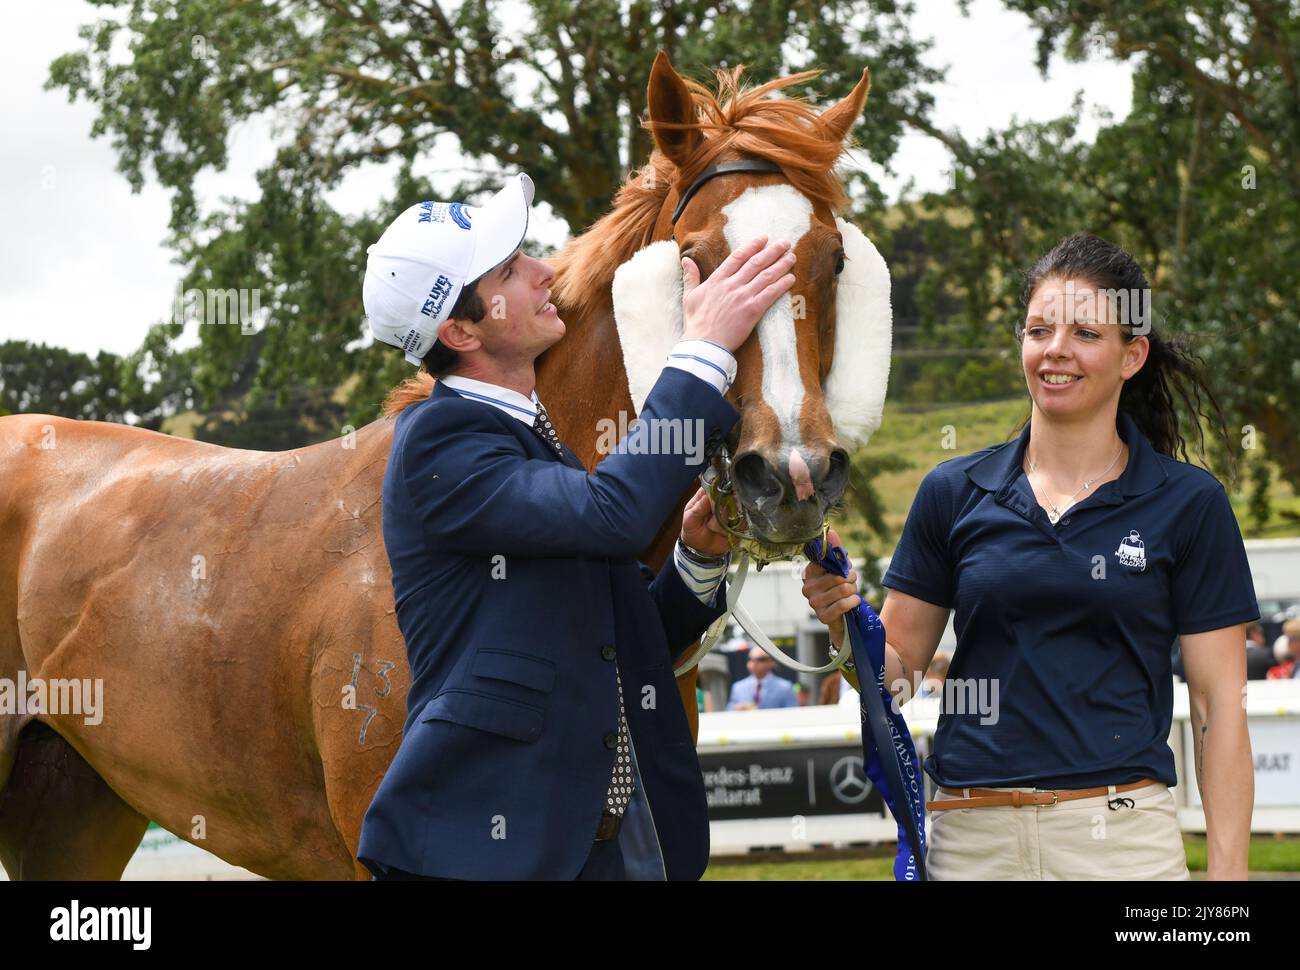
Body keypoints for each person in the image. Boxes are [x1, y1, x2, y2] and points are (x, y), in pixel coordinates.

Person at [355, 173, 797, 880]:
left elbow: (615, 646)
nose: (543, 271)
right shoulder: (442, 441)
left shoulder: (528, 436)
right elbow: (614, 515)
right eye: (509, 269)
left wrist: (695, 561)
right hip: (492, 856)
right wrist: (705, 347)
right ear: (460, 330)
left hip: (600, 850)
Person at [803, 233, 1258, 880]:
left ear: (1133, 357)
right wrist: (843, 618)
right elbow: (895, 681)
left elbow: (1218, 709)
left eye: (1085, 334)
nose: (1056, 351)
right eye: (1039, 329)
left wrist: (1230, 880)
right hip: (971, 841)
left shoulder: (1190, 504)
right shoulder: (951, 492)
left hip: (1122, 844)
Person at [726, 645, 800, 710]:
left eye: (761, 659)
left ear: (771, 662)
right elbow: (729, 710)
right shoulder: (738, 687)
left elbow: (792, 712)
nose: (754, 662)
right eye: (750, 659)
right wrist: (737, 708)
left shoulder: (785, 687)